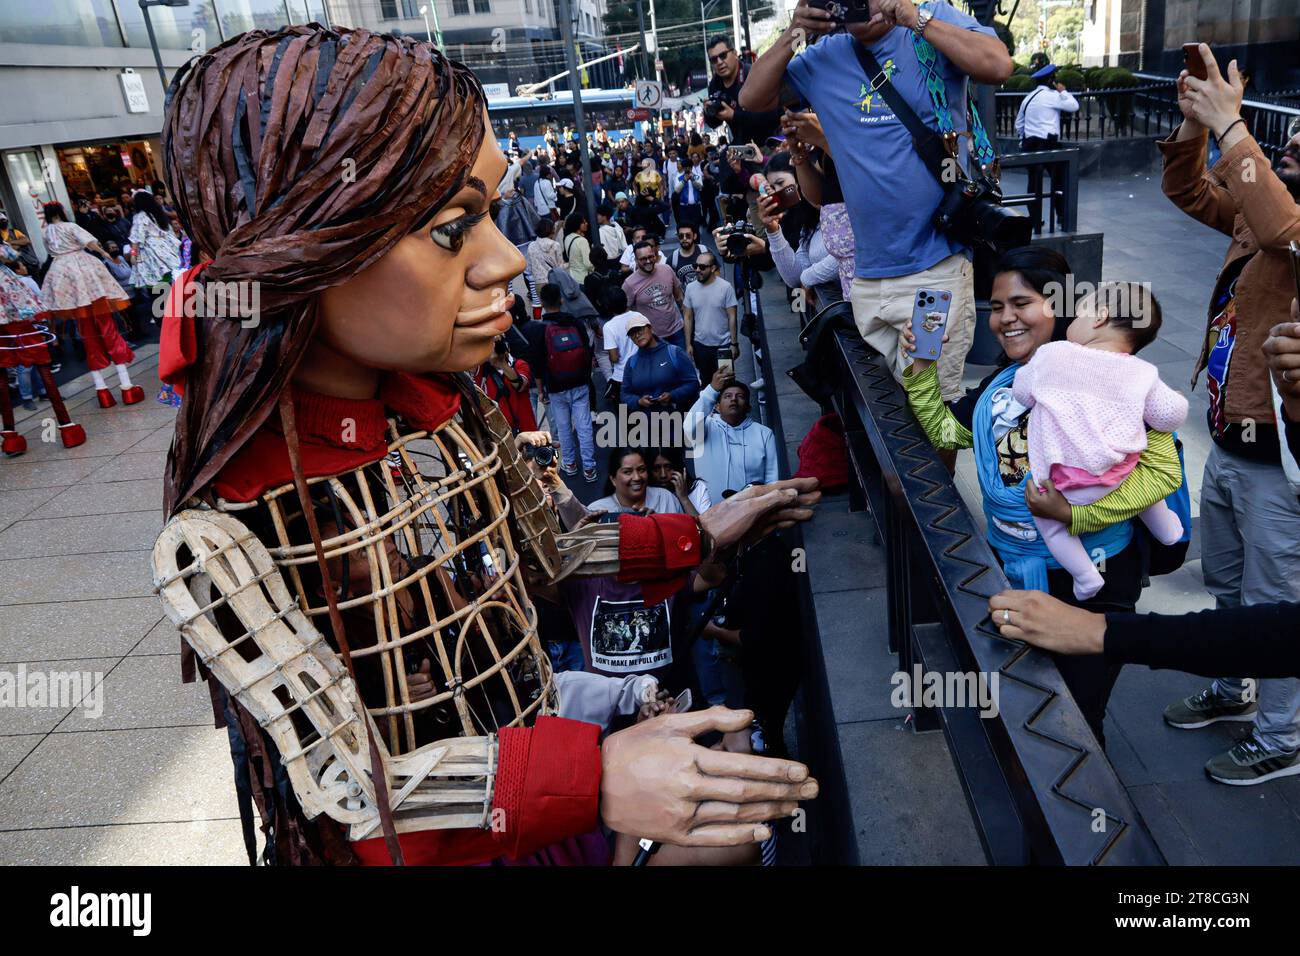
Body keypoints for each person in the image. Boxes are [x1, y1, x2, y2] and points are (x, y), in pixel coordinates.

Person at [154, 24, 820, 867]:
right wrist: (597, 774)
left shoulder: (450, 415)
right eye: (449, 227)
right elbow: (345, 781)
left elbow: (552, 548)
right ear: (304, 246)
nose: (503, 259)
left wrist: (700, 530)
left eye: (489, 213)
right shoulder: (219, 534)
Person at [898, 246, 1183, 746]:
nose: (1005, 319)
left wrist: (1074, 514)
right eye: (997, 306)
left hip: (1098, 584)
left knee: (1078, 720)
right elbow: (947, 432)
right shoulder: (1002, 386)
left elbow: (1161, 473)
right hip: (1017, 573)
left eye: (1021, 303)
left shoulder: (1117, 378)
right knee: (1033, 716)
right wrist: (921, 365)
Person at [740, 0, 1013, 402]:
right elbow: (751, 100)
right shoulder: (824, 56)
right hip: (866, 281)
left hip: (932, 274)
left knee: (929, 403)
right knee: (892, 410)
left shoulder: (927, 20)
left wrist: (911, 16)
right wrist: (795, 31)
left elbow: (997, 65)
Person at [1154, 43, 1300, 782]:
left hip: (1281, 459)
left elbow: (1279, 228)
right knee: (1230, 585)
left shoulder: (1287, 222)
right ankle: (1236, 688)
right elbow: (1188, 193)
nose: (1295, 144)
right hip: (1227, 433)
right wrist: (1194, 125)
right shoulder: (1265, 205)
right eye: (1295, 137)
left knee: (1277, 604)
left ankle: (1282, 739)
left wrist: (1232, 127)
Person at [1011, 284, 1188, 600]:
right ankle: (1168, 529)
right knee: (1135, 471)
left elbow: (1021, 393)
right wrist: (1176, 399)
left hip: (1063, 486)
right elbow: (1169, 417)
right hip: (1116, 478)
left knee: (1049, 525)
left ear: (1099, 317)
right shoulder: (1142, 373)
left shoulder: (1052, 354)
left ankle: (1086, 576)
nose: (1071, 323)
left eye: (1079, 314)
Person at [38, 202, 143, 408]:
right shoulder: (70, 227)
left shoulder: (46, 232)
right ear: (61, 212)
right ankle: (126, 386)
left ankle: (101, 389)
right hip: (85, 272)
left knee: (86, 333)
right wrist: (104, 254)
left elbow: (50, 252)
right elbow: (90, 243)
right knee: (108, 329)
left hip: (62, 274)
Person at [524, 283, 597, 481]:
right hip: (580, 383)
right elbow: (587, 351)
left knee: (563, 427)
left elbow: (537, 363)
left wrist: (540, 390)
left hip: (556, 387)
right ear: (562, 300)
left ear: (544, 304)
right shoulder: (575, 323)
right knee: (584, 425)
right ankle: (589, 468)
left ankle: (570, 464)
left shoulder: (541, 329)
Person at [759, 152, 841, 312]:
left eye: (781, 183)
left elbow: (847, 256)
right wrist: (773, 231)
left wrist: (808, 278)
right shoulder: (808, 221)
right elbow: (794, 278)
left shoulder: (843, 210)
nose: (777, 193)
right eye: (773, 187)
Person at [684, 368, 779, 496]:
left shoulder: (764, 433)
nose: (733, 399)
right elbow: (688, 427)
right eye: (727, 396)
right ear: (716, 406)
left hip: (750, 509)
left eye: (740, 397)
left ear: (748, 407)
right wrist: (712, 390)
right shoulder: (705, 427)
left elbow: (772, 478)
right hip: (706, 510)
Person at [703, 36, 780, 146]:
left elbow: (772, 116)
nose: (719, 62)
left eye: (723, 56)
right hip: (741, 144)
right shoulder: (715, 84)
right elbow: (715, 123)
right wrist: (708, 112)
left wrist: (734, 116)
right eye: (714, 59)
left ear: (734, 53)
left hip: (770, 142)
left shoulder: (753, 75)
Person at [620, 313, 699, 414]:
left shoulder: (674, 353)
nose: (637, 335)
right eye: (632, 334)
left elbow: (693, 383)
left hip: (677, 419)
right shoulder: (631, 362)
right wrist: (638, 402)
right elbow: (625, 394)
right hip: (648, 423)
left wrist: (673, 396)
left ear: (650, 328)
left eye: (640, 329)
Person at [682, 252, 738, 385]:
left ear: (713, 268)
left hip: (723, 346)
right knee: (707, 382)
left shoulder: (725, 287)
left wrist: (734, 344)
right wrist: (688, 344)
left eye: (702, 267)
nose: (697, 270)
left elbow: (732, 316)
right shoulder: (690, 288)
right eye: (696, 266)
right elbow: (688, 317)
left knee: (727, 382)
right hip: (701, 346)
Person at [622, 240, 687, 349]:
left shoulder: (667, 270)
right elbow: (626, 313)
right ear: (636, 260)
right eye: (643, 259)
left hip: (677, 331)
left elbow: (679, 296)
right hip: (652, 338)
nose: (648, 261)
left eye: (651, 257)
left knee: (682, 363)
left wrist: (686, 321)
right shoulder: (629, 284)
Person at [473, 337, 537, 434]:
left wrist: (502, 363)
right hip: (500, 436)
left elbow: (519, 386)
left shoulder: (520, 364)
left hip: (527, 431)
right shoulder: (482, 371)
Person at [1014, 63, 1079, 151]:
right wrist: (1063, 91)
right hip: (1047, 145)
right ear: (1050, 81)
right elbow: (1074, 106)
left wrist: (1024, 138)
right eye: (1054, 79)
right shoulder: (1053, 96)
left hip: (1028, 144)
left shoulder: (1028, 97)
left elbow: (1018, 124)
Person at [128, 189, 182, 294]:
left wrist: (133, 254)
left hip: (150, 253)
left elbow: (136, 238)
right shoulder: (159, 214)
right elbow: (169, 233)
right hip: (165, 251)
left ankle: (163, 308)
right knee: (170, 282)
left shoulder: (140, 217)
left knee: (155, 287)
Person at [600, 287, 640, 406]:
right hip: (643, 370)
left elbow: (614, 357)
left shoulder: (609, 327)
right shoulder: (638, 316)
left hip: (622, 376)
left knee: (627, 417)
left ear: (608, 306)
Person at [526, 218, 563, 314]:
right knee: (558, 309)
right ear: (551, 230)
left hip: (539, 283)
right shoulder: (555, 245)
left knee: (545, 309)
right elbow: (560, 267)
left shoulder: (531, 246)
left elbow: (529, 268)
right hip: (554, 281)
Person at [668, 222, 705, 289]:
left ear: (694, 236)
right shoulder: (672, 259)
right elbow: (670, 284)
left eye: (688, 235)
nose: (684, 238)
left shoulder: (704, 251)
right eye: (681, 236)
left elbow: (716, 274)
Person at [561, 212, 593, 283]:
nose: (586, 223)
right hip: (584, 278)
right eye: (583, 223)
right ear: (577, 225)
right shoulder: (582, 241)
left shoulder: (567, 238)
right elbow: (588, 264)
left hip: (573, 277)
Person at [673, 157, 705, 227]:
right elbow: (676, 190)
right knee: (686, 227)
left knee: (696, 227)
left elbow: (700, 187)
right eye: (685, 168)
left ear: (691, 167)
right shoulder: (679, 177)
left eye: (689, 168)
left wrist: (693, 179)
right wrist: (684, 181)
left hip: (696, 206)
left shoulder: (697, 176)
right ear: (683, 168)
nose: (687, 169)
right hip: (683, 207)